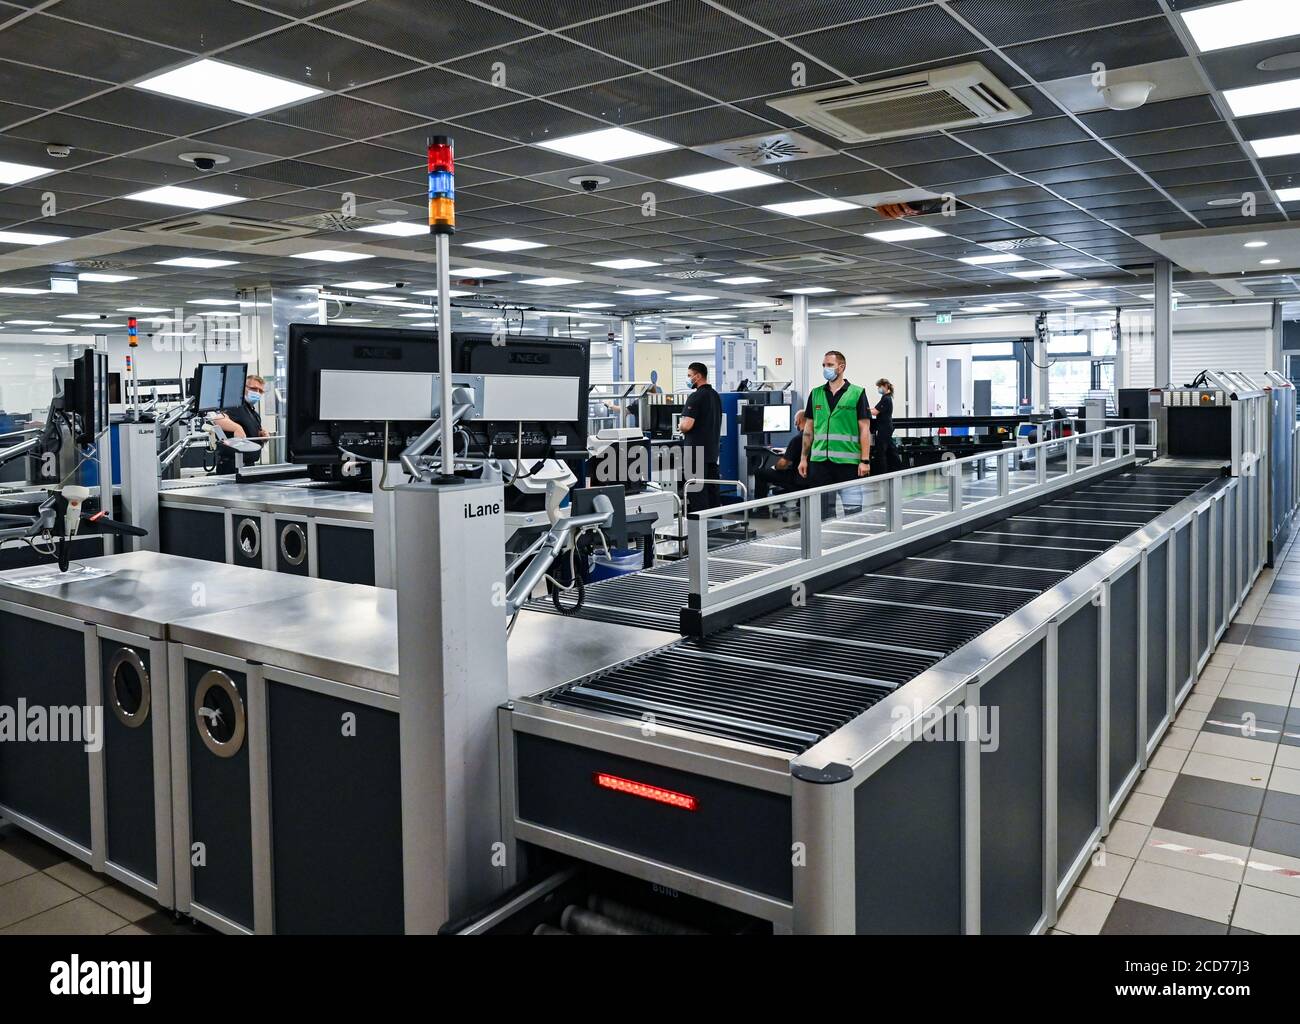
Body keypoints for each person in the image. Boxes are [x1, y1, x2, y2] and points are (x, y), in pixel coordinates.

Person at [798, 350, 871, 516]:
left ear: (841, 367)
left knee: (853, 511)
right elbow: (809, 429)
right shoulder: (816, 393)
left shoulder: (857, 393)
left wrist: (865, 460)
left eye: (830, 365)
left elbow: (864, 429)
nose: (825, 368)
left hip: (848, 463)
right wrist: (803, 458)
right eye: (824, 365)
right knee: (820, 512)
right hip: (819, 463)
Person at [678, 361, 722, 512]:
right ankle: (715, 526)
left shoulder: (695, 397)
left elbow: (687, 425)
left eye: (689, 375)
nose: (688, 378)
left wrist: (680, 425)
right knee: (712, 491)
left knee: (696, 492)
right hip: (711, 451)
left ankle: (701, 531)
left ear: (698, 376)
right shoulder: (715, 396)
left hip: (696, 453)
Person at [212, 372, 268, 473]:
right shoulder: (236, 405)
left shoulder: (253, 413)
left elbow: (249, 431)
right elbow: (218, 419)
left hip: (248, 464)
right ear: (243, 388)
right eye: (254, 389)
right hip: (233, 465)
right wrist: (237, 428)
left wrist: (261, 435)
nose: (257, 393)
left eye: (260, 391)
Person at [753, 409, 810, 500]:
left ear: (798, 421)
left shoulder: (797, 439)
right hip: (809, 477)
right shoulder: (815, 437)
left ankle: (761, 509)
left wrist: (774, 467)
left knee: (760, 473)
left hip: (796, 477)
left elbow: (783, 465)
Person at [871, 377, 902, 474]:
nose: (878, 389)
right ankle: (897, 469)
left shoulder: (886, 399)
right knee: (891, 449)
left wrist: (864, 409)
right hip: (885, 427)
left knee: (881, 451)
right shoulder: (886, 398)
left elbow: (875, 412)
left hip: (884, 428)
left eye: (879, 387)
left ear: (885, 386)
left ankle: (883, 472)